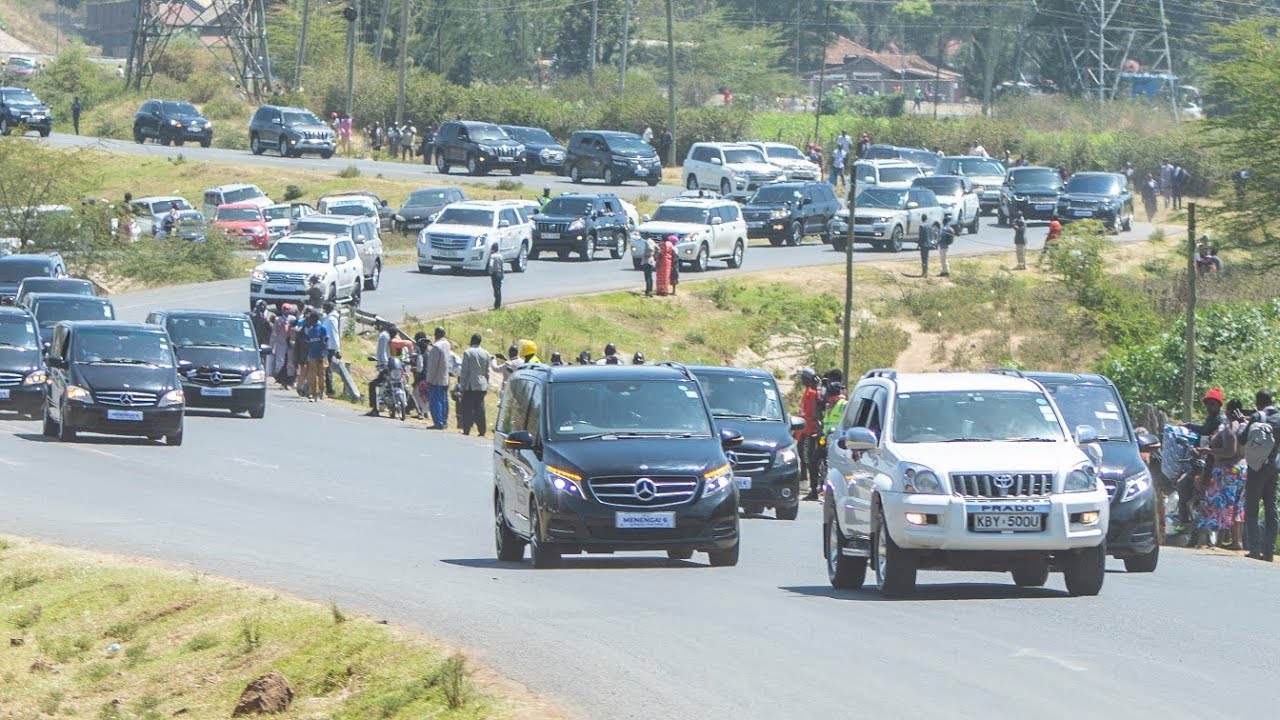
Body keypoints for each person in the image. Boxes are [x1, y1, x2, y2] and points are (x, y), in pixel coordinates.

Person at [1199, 399, 1248, 549]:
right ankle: (1235, 541)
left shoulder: (1229, 428)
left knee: (1224, 505)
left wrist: (1209, 451)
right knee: (1237, 506)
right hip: (1242, 468)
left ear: (1227, 411)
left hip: (1228, 471)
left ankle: (1228, 541)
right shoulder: (1244, 426)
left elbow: (1229, 451)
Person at [1244, 389, 1278, 561]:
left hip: (1256, 466)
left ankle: (1255, 549)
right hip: (1274, 467)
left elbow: (1242, 438)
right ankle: (1269, 551)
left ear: (1258, 402)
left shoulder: (1258, 417)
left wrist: (1245, 423)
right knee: (1270, 507)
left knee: (1252, 508)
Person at [457, 333, 491, 436]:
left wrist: (462, 386)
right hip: (481, 385)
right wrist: (486, 384)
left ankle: (466, 430)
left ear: (472, 340)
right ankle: (482, 431)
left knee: (467, 408)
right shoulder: (486, 353)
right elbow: (487, 372)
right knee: (480, 409)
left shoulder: (468, 352)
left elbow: (464, 371)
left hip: (470, 385)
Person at [797, 369, 822, 500]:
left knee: (809, 457)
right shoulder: (807, 392)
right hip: (804, 429)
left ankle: (809, 483)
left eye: (803, 377)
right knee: (801, 453)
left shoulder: (812, 394)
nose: (801, 379)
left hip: (810, 430)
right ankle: (804, 479)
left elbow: (812, 413)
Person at [366, 322, 396, 415]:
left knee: (372, 385)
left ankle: (375, 409)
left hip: (386, 366)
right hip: (386, 366)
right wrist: (386, 364)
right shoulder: (385, 337)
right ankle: (380, 405)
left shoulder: (385, 336)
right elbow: (383, 353)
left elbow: (384, 353)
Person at [425, 326, 451, 429]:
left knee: (435, 401)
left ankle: (438, 422)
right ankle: (444, 421)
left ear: (436, 334)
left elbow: (432, 366)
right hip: (444, 377)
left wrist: (429, 379)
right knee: (444, 400)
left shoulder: (436, 347)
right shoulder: (447, 344)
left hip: (436, 379)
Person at [299, 310, 328, 402]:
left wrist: (323, 354)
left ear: (314, 319)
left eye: (310, 319)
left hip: (321, 355)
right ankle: (313, 394)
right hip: (312, 356)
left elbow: (325, 341)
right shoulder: (310, 331)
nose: (309, 321)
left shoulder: (322, 329)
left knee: (321, 375)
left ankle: (322, 391)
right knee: (312, 376)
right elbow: (308, 342)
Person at [322, 301, 341, 396]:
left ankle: (330, 390)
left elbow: (335, 335)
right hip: (327, 346)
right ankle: (327, 388)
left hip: (329, 347)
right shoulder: (329, 318)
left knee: (327, 368)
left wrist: (338, 349)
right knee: (326, 368)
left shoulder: (331, 319)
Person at [487, 243, 504, 309]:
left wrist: (490, 271)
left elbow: (491, 265)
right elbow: (502, 266)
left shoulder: (492, 256)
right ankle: (499, 304)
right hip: (500, 273)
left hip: (494, 274)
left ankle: (496, 305)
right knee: (499, 289)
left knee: (496, 290)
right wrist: (502, 274)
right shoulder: (500, 256)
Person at [641, 232, 658, 297]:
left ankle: (648, 291)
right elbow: (658, 249)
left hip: (647, 260)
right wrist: (654, 256)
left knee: (647, 277)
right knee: (650, 277)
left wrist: (647, 254)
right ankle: (650, 291)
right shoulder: (653, 242)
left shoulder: (647, 242)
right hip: (652, 260)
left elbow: (650, 249)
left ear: (647, 236)